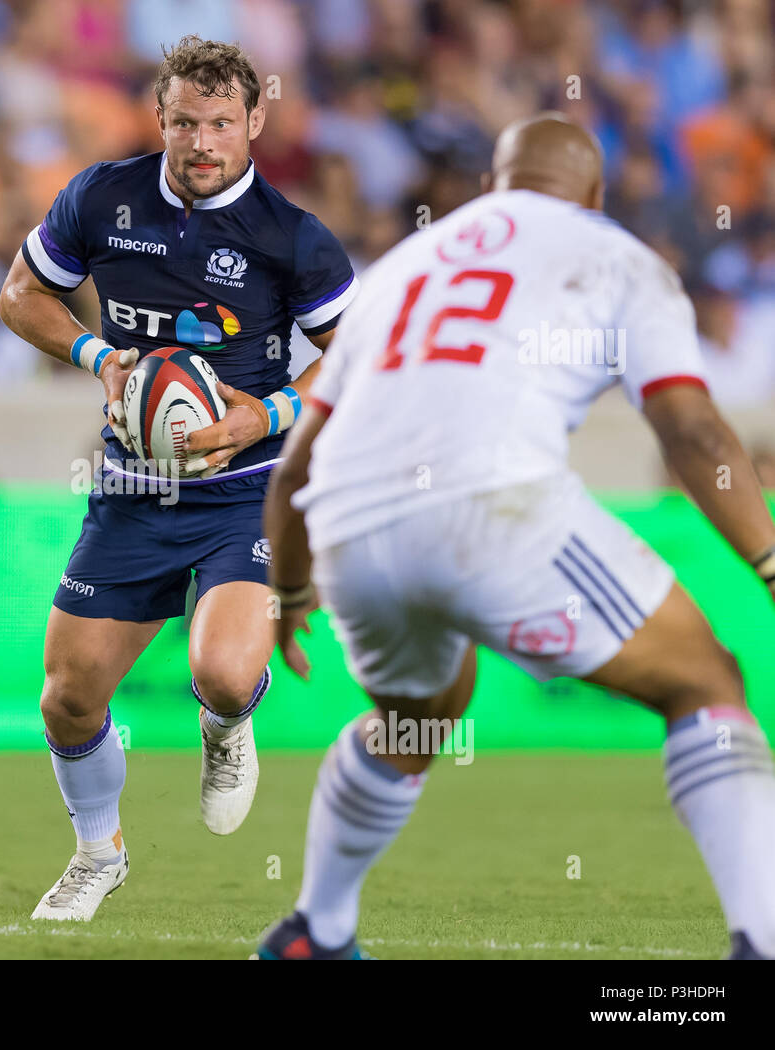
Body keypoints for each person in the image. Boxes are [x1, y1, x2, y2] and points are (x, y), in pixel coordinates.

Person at [259, 112, 775, 960]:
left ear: (492, 185)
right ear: (593, 194)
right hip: (491, 506)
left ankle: (315, 929)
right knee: (706, 684)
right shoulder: (616, 255)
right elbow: (692, 431)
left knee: (416, 720)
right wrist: (769, 561)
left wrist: (287, 590)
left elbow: (292, 475)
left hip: (348, 528)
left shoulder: (396, 271)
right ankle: (760, 942)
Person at [0, 35, 357, 920]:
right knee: (67, 699)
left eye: (222, 123)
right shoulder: (101, 197)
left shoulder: (291, 237)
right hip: (134, 486)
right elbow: (20, 295)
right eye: (186, 123)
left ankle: (227, 727)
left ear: (255, 121)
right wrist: (97, 355)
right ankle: (98, 853)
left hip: (249, 490)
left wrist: (266, 414)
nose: (203, 142)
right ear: (158, 120)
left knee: (224, 673)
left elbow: (361, 356)